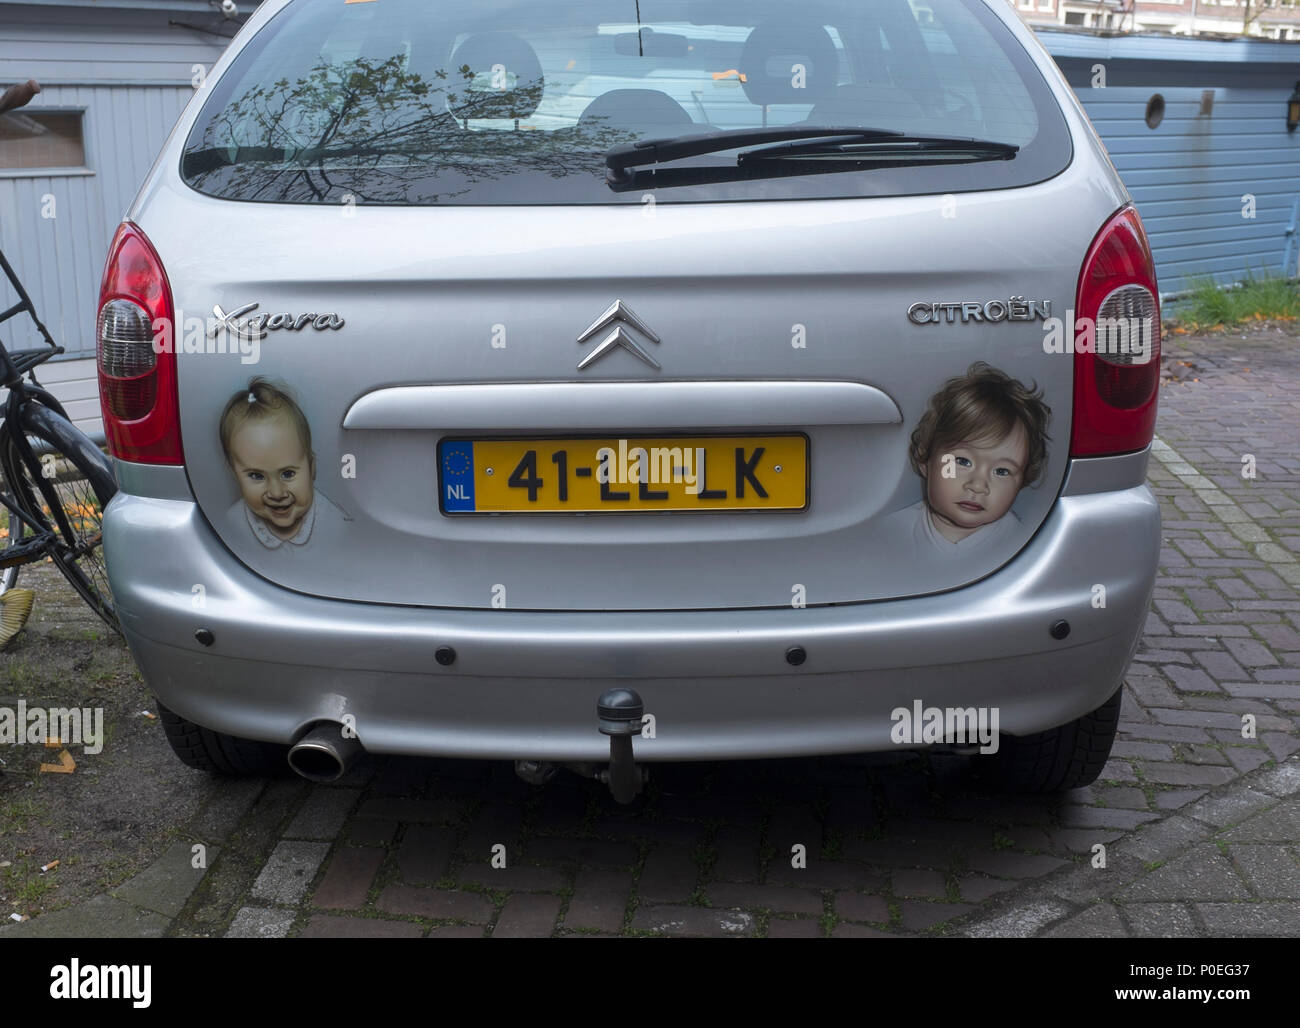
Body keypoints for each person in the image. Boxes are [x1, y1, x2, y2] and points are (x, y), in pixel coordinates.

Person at [883, 362, 1051, 553]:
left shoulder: (1027, 549)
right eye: (963, 461)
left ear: (1023, 480)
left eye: (1002, 471)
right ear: (924, 459)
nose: (978, 486)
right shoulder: (891, 535)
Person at [219, 377, 351, 551]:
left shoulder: (336, 524)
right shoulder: (231, 526)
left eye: (288, 474)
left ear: (312, 468)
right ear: (235, 474)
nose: (276, 492)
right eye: (256, 476)